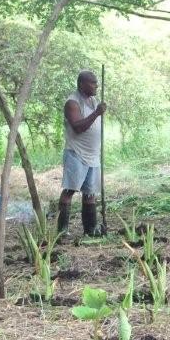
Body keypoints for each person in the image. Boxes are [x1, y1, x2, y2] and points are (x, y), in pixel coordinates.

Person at [57, 70, 106, 237]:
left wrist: (97, 110)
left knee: (90, 192)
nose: (96, 85)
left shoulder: (93, 101)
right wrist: (97, 113)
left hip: (93, 155)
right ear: (81, 85)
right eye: (92, 83)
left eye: (96, 82)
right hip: (76, 153)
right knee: (70, 190)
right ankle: (62, 231)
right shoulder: (72, 102)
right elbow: (78, 127)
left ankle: (90, 229)